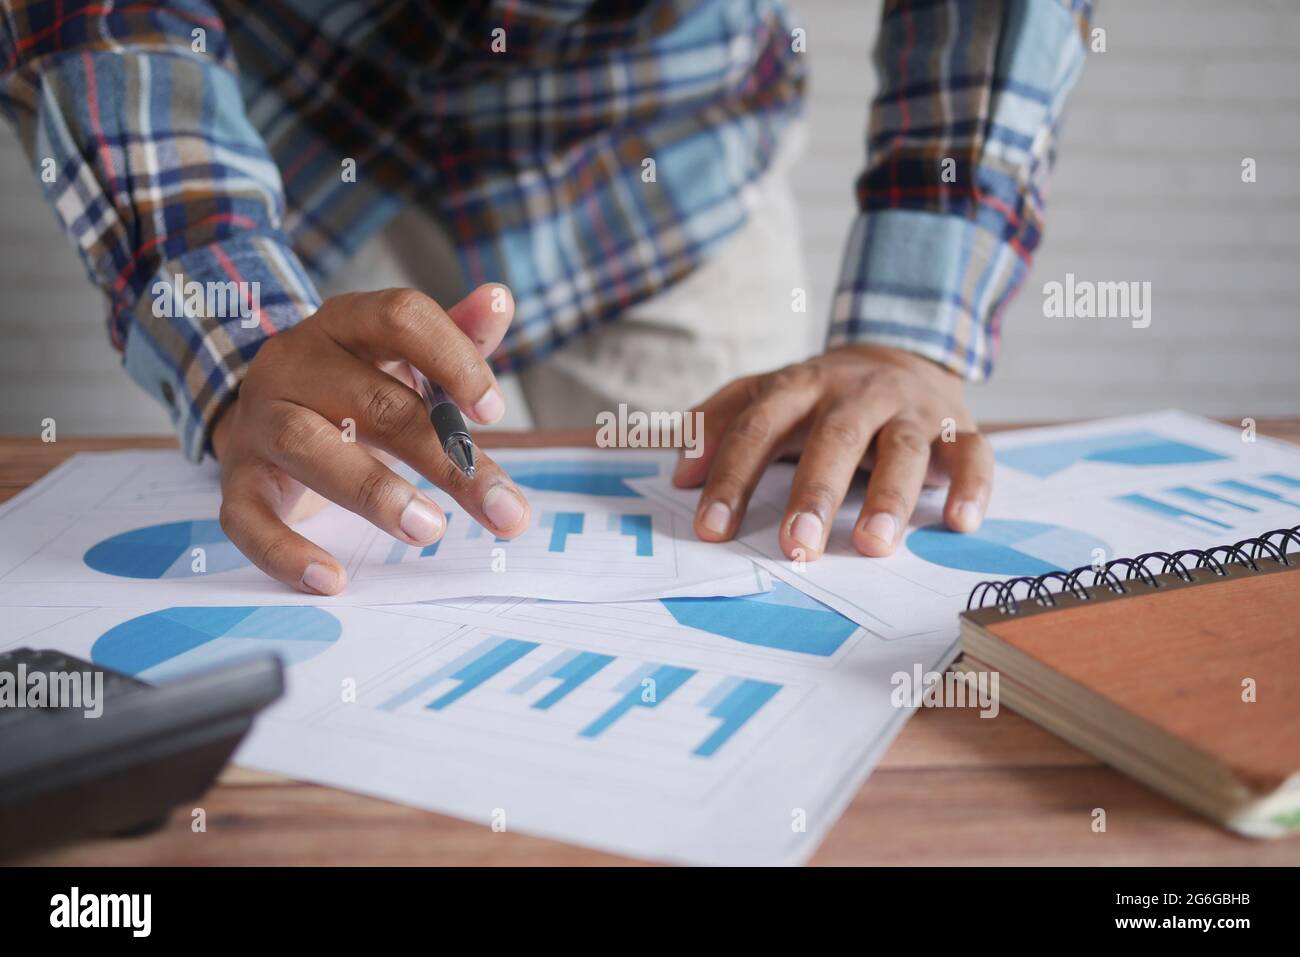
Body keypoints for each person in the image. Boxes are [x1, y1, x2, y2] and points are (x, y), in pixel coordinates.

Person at [0, 0, 1090, 594]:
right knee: (314, 505)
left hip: (662, 164)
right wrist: (235, 339)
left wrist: (909, 322)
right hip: (295, 150)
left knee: (744, 528)